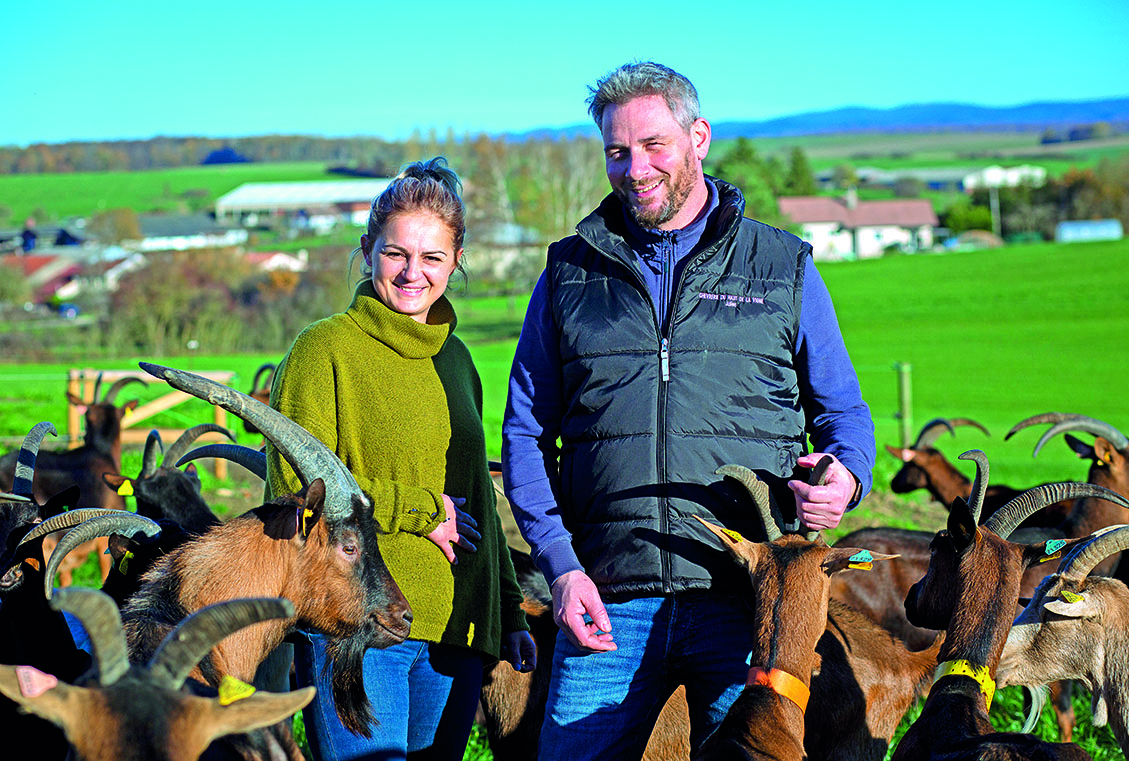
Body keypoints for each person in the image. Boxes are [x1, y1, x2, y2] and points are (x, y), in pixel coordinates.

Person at [502, 62, 876, 758]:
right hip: (604, 600)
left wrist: (844, 477)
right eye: (616, 151)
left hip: (747, 607)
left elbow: (845, 415)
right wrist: (560, 565)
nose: (634, 168)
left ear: (697, 137)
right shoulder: (567, 272)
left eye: (653, 145)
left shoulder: (781, 265)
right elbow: (524, 430)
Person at [266, 157, 536, 761]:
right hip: (357, 624)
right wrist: (418, 510)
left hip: (454, 632)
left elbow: (478, 504)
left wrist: (509, 609)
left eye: (433, 258)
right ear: (367, 252)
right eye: (396, 254)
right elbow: (292, 487)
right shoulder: (326, 347)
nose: (414, 272)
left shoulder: (458, 361)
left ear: (457, 261)